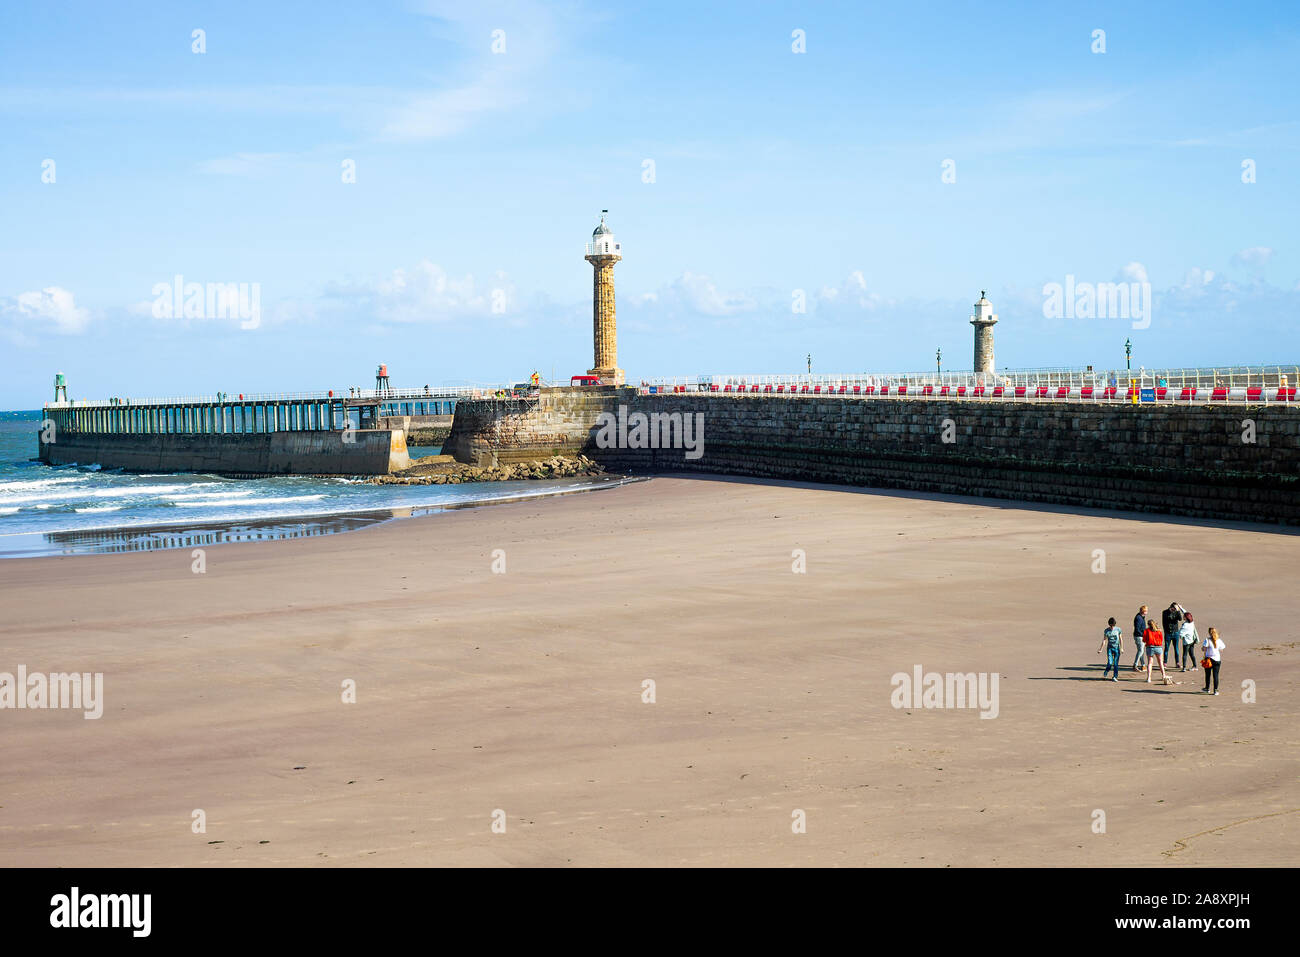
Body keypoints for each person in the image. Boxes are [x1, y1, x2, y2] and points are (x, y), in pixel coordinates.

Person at [1098, 617, 1123, 681]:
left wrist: (1122, 648)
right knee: (1110, 662)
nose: (1112, 627)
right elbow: (1104, 640)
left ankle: (1115, 676)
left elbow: (1120, 639)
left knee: (1115, 664)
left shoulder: (1118, 629)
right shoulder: (1106, 631)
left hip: (1117, 648)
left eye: (1113, 626)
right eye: (1111, 626)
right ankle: (1106, 670)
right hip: (1110, 648)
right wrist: (1100, 649)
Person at [1162, 602, 1185, 669]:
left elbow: (1180, 619)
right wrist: (1166, 631)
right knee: (1166, 648)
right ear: (1171, 607)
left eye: (1175, 609)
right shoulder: (1165, 612)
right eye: (1174, 608)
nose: (1174, 610)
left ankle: (1177, 662)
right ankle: (1165, 662)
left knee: (1176, 648)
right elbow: (1169, 618)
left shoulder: (1176, 612)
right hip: (1168, 633)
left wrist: (1178, 611)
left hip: (1175, 633)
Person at [1201, 627, 1225, 695]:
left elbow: (1203, 649)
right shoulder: (1219, 640)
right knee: (1216, 675)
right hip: (1217, 660)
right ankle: (1216, 690)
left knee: (1208, 675)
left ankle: (1207, 688)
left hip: (1209, 659)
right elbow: (1222, 649)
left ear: (1209, 633)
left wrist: (1203, 648)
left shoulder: (1207, 640)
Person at [1144, 617, 1167, 684]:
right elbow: (1161, 639)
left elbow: (1144, 639)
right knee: (1160, 662)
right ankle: (1163, 675)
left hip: (1150, 647)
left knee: (1150, 663)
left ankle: (1149, 678)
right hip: (1158, 647)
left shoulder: (1146, 631)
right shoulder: (1159, 631)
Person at [1132, 605, 1149, 671]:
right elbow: (1137, 629)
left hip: (1140, 636)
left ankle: (1143, 665)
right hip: (1139, 636)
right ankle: (1135, 665)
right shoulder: (1138, 618)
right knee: (1141, 651)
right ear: (1143, 611)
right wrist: (1144, 635)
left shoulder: (1141, 617)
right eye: (1146, 611)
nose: (1147, 612)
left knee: (1141, 651)